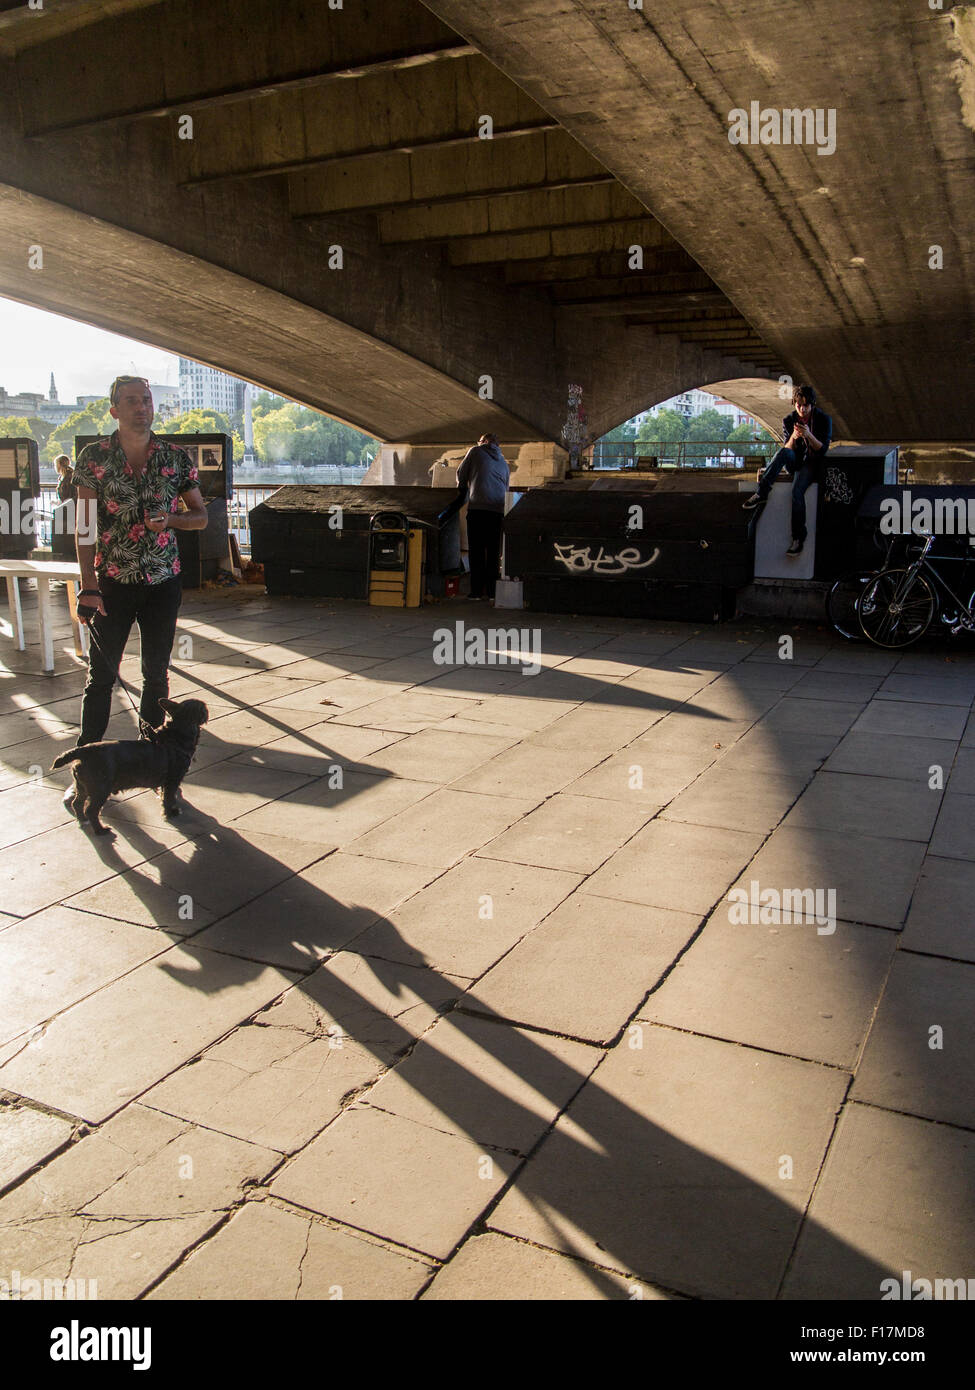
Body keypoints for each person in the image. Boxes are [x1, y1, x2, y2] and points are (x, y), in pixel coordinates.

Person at [69, 376, 208, 756]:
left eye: (145, 400)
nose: (141, 406)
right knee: (101, 676)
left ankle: (151, 755)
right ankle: (87, 758)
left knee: (155, 675)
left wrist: (172, 520)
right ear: (115, 410)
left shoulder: (174, 457)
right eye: (131, 400)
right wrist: (87, 584)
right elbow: (83, 528)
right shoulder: (93, 458)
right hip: (112, 582)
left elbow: (200, 517)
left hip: (163, 581)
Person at [742, 384, 832, 555]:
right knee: (784, 452)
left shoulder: (823, 419)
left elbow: (822, 449)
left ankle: (798, 538)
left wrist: (808, 435)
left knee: (797, 492)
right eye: (798, 405)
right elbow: (788, 448)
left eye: (805, 405)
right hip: (795, 461)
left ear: (812, 405)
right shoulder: (789, 420)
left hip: (812, 463)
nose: (802, 409)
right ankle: (762, 493)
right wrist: (793, 437)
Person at [454, 433, 510, 600]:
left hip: (478, 508)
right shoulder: (504, 463)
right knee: (493, 552)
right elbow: (506, 488)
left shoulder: (476, 451)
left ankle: (476, 592)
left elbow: (461, 473)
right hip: (498, 511)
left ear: (484, 442)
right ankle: (493, 593)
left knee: (476, 551)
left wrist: (463, 490)